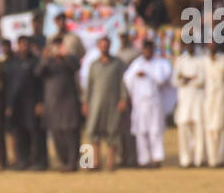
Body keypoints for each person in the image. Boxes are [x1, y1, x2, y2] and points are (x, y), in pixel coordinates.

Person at [122, 39, 173, 168]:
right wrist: (136, 75)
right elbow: (127, 79)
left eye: (150, 49)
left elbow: (162, 79)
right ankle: (144, 160)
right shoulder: (137, 63)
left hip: (154, 101)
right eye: (145, 49)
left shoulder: (160, 63)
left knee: (155, 130)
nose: (147, 52)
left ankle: (157, 158)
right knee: (140, 130)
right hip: (139, 102)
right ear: (142, 50)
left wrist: (147, 73)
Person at [36, 37, 82, 171]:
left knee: (71, 133)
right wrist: (45, 58)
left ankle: (73, 163)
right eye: (54, 45)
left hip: (69, 102)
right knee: (57, 133)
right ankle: (63, 161)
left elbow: (76, 67)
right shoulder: (47, 61)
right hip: (52, 104)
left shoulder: (70, 58)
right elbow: (38, 73)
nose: (56, 48)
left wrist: (64, 56)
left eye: (59, 45)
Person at [82, 36, 128, 171]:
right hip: (96, 103)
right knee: (92, 131)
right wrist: (85, 102)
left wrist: (123, 99)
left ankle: (110, 162)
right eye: (102, 45)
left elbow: (123, 83)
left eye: (106, 45)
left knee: (112, 131)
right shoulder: (94, 65)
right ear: (98, 47)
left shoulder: (118, 64)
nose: (104, 47)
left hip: (113, 103)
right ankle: (94, 162)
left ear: (110, 46)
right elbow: (89, 85)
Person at [5, 35, 45, 170]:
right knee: (19, 133)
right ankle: (23, 161)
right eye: (21, 44)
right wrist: (9, 105)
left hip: (32, 102)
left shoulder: (36, 61)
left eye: (26, 44)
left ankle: (39, 162)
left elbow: (41, 84)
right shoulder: (13, 62)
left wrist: (40, 102)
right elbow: (9, 85)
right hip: (17, 104)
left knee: (35, 132)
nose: (24, 47)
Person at [172, 42, 207, 167]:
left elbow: (202, 79)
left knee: (199, 130)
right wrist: (189, 79)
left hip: (198, 99)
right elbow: (175, 80)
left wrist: (186, 78)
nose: (190, 47)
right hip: (184, 100)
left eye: (192, 44)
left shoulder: (201, 60)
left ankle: (199, 159)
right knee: (183, 130)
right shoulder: (180, 61)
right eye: (187, 44)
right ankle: (186, 160)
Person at [202, 42, 224, 167]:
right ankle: (212, 159)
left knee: (220, 128)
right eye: (209, 44)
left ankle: (220, 159)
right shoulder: (204, 61)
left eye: (213, 44)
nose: (211, 47)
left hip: (221, 98)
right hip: (208, 99)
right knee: (209, 129)